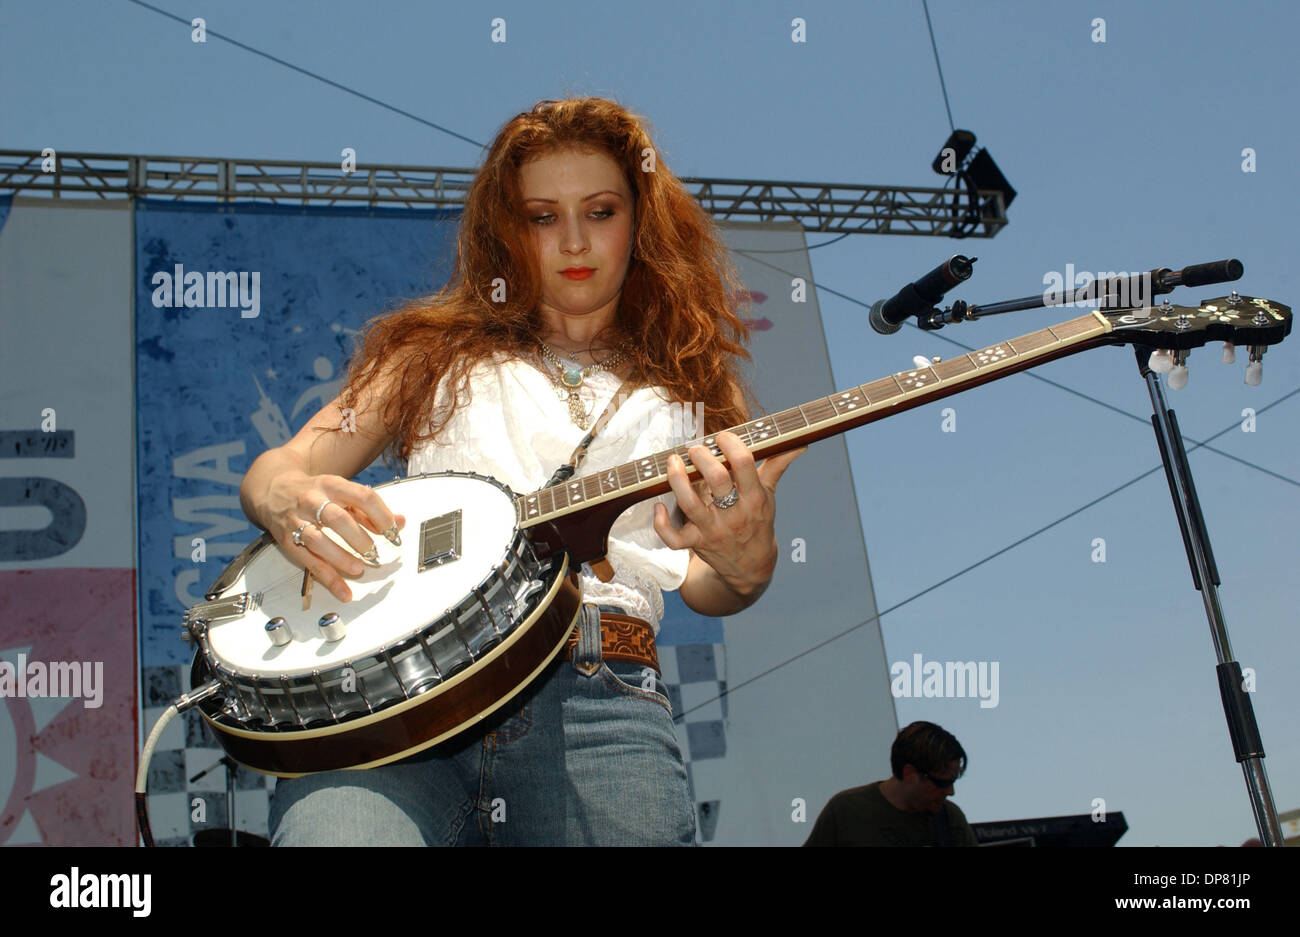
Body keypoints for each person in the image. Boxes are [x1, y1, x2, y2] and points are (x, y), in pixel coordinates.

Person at [237, 97, 805, 846]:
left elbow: (711, 582)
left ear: (640, 217)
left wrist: (748, 559)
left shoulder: (699, 387)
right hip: (390, 697)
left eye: (600, 210)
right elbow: (285, 464)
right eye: (543, 216)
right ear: (510, 229)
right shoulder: (426, 352)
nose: (573, 239)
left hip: (601, 700)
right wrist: (283, 494)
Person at [804, 721, 977, 846]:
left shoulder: (951, 820)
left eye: (953, 782)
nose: (950, 791)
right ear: (910, 774)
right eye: (941, 783)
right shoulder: (845, 811)